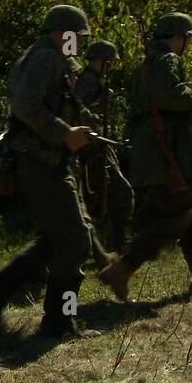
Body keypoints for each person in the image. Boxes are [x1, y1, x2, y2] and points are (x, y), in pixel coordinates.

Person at [0, 5, 102, 337]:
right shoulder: (44, 58)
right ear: (63, 34)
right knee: (75, 243)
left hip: (48, 160)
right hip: (40, 161)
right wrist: (65, 134)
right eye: (77, 38)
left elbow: (49, 106)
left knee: (55, 241)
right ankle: (59, 321)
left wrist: (77, 129)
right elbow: (25, 106)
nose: (79, 44)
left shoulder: (52, 58)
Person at [99, 12, 192, 300]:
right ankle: (123, 269)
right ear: (178, 37)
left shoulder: (143, 66)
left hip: (155, 152)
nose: (187, 44)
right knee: (176, 216)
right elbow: (169, 97)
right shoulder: (168, 61)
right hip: (168, 153)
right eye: (186, 38)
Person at [74, 40, 134, 255]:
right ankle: (117, 246)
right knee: (121, 193)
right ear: (102, 61)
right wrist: (98, 108)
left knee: (97, 199)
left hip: (97, 147)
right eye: (109, 62)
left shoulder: (92, 80)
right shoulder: (89, 80)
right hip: (92, 149)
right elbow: (78, 108)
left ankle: (97, 247)